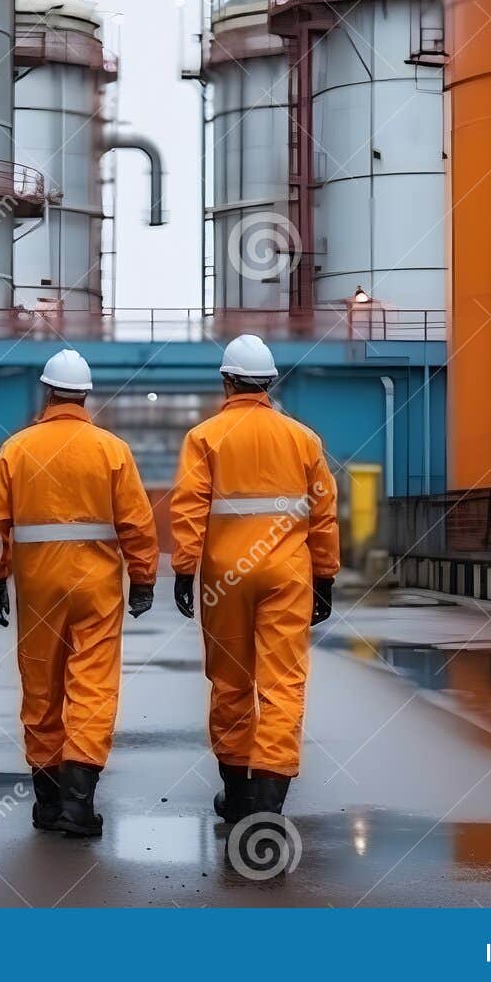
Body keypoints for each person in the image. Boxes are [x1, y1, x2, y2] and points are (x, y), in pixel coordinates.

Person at [0, 348, 159, 837]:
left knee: (41, 685)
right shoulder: (112, 449)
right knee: (92, 685)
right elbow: (137, 522)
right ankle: (79, 804)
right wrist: (142, 578)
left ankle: (46, 801)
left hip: (38, 588)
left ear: (46, 391)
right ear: (85, 395)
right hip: (97, 588)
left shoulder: (16, 449)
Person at [169, 334, 339, 823]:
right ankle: (269, 803)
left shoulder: (204, 438)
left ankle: (238, 796)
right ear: (270, 382)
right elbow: (324, 515)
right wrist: (324, 576)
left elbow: (188, 508)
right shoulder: (303, 439)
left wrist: (185, 569)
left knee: (230, 682)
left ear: (227, 382)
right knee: (282, 684)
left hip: (226, 577)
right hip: (288, 574)